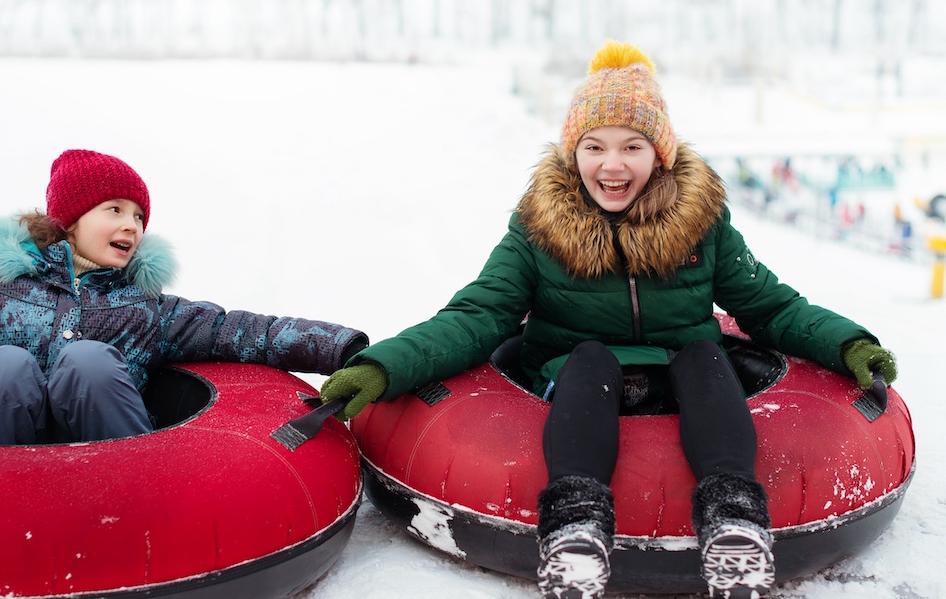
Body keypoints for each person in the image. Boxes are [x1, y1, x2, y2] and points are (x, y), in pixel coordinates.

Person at [319, 42, 897, 599]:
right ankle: (575, 521)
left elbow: (770, 307)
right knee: (591, 355)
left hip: (682, 375)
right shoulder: (538, 228)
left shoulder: (702, 225)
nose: (612, 165)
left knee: (704, 354)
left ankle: (733, 519)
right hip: (575, 377)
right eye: (594, 146)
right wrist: (382, 368)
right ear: (574, 152)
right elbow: (479, 314)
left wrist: (848, 345)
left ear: (660, 153)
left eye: (632, 147)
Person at [0, 149, 367, 445]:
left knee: (87, 360)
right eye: (114, 210)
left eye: (139, 216)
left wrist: (344, 349)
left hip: (111, 476)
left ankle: (134, 491)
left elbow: (247, 331)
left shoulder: (145, 308)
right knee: (4, 366)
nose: (131, 226)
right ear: (68, 219)